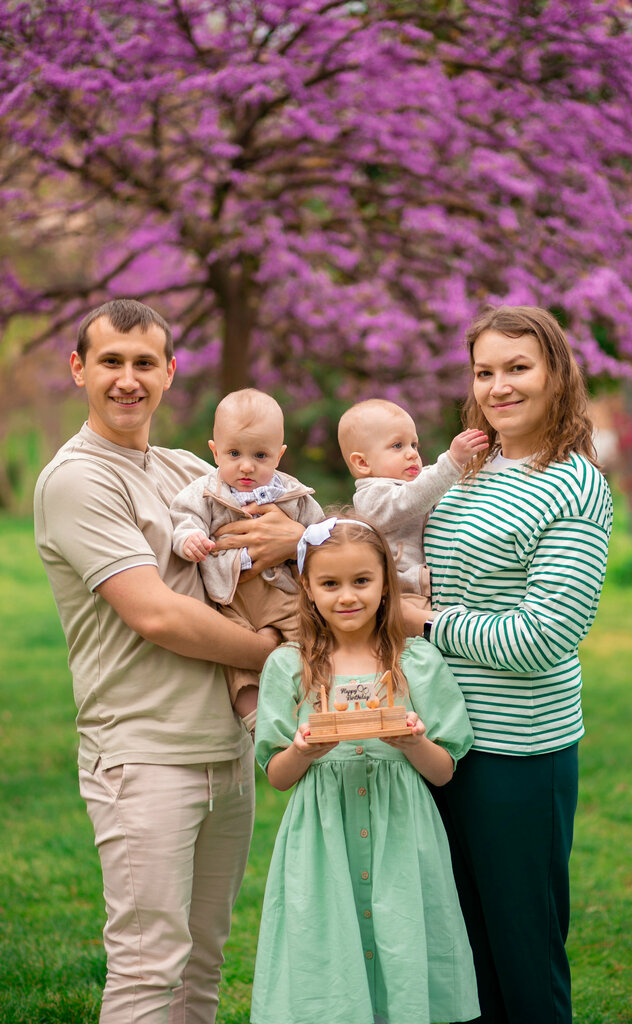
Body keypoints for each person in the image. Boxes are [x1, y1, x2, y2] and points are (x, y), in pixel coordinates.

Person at [33, 299, 284, 1024]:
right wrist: (275, 653)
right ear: (79, 369)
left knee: (203, 961)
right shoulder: (78, 479)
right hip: (143, 756)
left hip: (222, 751)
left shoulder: (184, 470)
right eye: (110, 360)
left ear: (170, 372)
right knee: (149, 969)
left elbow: (288, 531)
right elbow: (156, 613)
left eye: (145, 362)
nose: (127, 379)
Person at [403, 305, 614, 1024]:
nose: (498, 386)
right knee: (457, 956)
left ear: (556, 374)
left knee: (522, 959)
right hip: (437, 741)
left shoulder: (573, 483)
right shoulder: (472, 467)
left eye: (517, 368)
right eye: (484, 371)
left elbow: (542, 636)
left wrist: (424, 621)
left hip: (517, 748)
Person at [250, 515, 480, 1024]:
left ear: (385, 584)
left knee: (402, 938)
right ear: (307, 589)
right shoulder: (290, 666)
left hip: (402, 832)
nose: (347, 596)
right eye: (330, 584)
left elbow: (443, 771)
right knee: (326, 944)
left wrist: (413, 742)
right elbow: (277, 774)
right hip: (322, 836)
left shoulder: (416, 660)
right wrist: (304, 749)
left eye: (362, 581)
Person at [170, 388, 323, 733]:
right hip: (231, 597)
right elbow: (184, 518)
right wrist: (188, 539)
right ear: (215, 451)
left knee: (312, 641)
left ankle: (317, 706)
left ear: (279, 455)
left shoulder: (293, 494)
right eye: (234, 453)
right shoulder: (206, 491)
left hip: (282, 594)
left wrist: (302, 537)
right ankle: (257, 721)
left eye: (261, 455)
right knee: (236, 663)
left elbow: (321, 535)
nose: (246, 465)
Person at [338, 399, 488, 608]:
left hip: (423, 588)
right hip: (398, 593)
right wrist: (453, 461)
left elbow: (431, 479)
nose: (412, 454)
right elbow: (412, 498)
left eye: (414, 444)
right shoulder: (370, 497)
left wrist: (470, 463)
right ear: (363, 463)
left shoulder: (409, 485)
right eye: (397, 446)